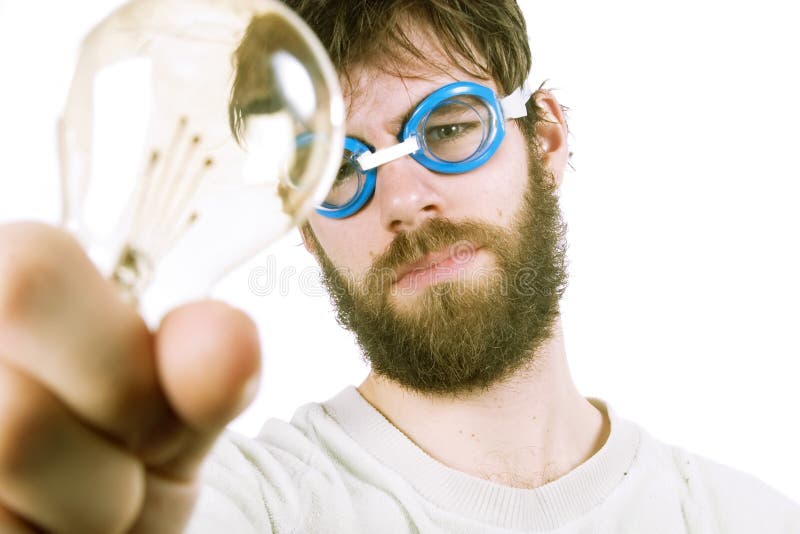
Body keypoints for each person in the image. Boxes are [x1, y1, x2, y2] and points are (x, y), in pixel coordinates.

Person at [0, 1, 796, 533]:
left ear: (546, 142)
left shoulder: (745, 517)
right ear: (305, 230)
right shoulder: (234, 506)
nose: (405, 199)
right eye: (342, 171)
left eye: (449, 127)